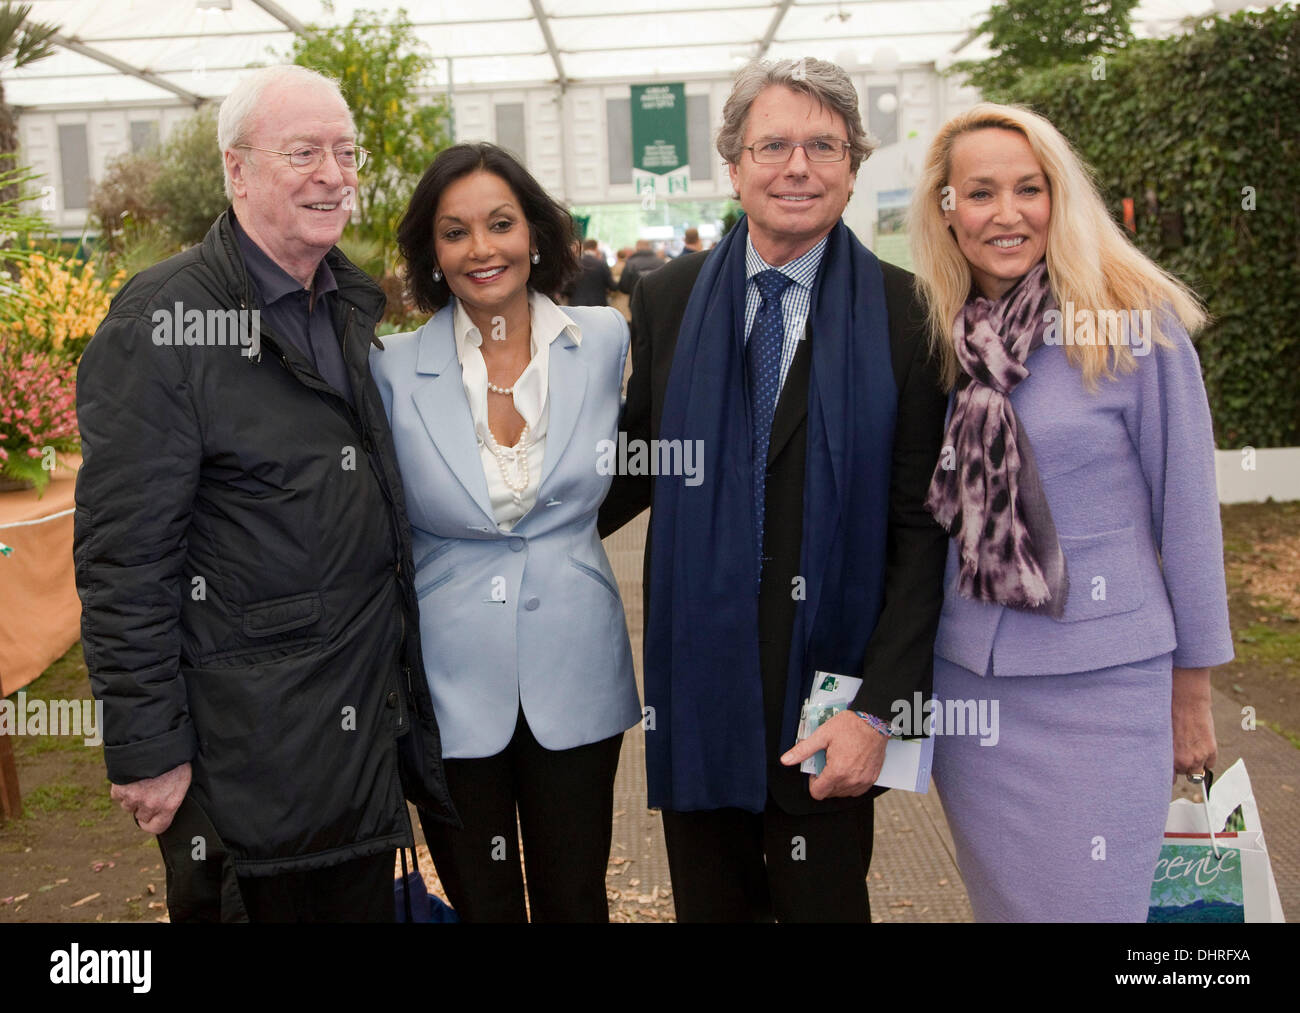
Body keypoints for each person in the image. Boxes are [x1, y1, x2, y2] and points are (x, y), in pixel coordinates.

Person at [73, 65, 457, 923]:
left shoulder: (343, 306)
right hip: (248, 771)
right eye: (303, 152)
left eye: (344, 151)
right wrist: (146, 749)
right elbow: (123, 560)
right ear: (236, 171)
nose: (334, 172)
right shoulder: (162, 323)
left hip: (349, 750)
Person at [598, 57, 948, 922]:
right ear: (735, 164)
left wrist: (881, 710)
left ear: (855, 165)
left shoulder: (909, 314)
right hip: (701, 689)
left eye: (823, 145)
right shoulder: (669, 296)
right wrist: (503, 514)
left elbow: (924, 533)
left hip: (830, 696)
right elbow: (634, 465)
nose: (798, 167)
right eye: (775, 144)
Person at [908, 102, 1233, 921]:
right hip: (971, 692)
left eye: (1030, 188)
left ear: (1061, 198)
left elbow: (1189, 518)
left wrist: (1190, 697)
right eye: (979, 193)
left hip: (1106, 690)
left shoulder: (1133, 325)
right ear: (947, 212)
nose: (1007, 213)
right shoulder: (939, 336)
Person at [371, 142, 641, 922]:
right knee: (481, 899)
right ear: (431, 251)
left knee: (574, 893)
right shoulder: (389, 367)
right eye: (455, 232)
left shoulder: (602, 343)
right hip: (448, 675)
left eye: (500, 224)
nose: (482, 248)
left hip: (578, 664)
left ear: (536, 234)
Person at [568, 237, 616, 306]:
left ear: (584, 247)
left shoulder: (574, 263)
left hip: (576, 303)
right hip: (597, 305)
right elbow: (612, 286)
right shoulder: (602, 264)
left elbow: (567, 285)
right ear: (596, 248)